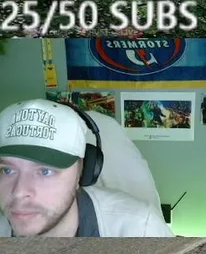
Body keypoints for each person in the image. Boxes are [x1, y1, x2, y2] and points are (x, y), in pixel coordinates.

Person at [0, 100, 173, 237]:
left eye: (45, 171)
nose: (19, 192)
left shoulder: (140, 230)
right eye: (7, 170)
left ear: (82, 172)